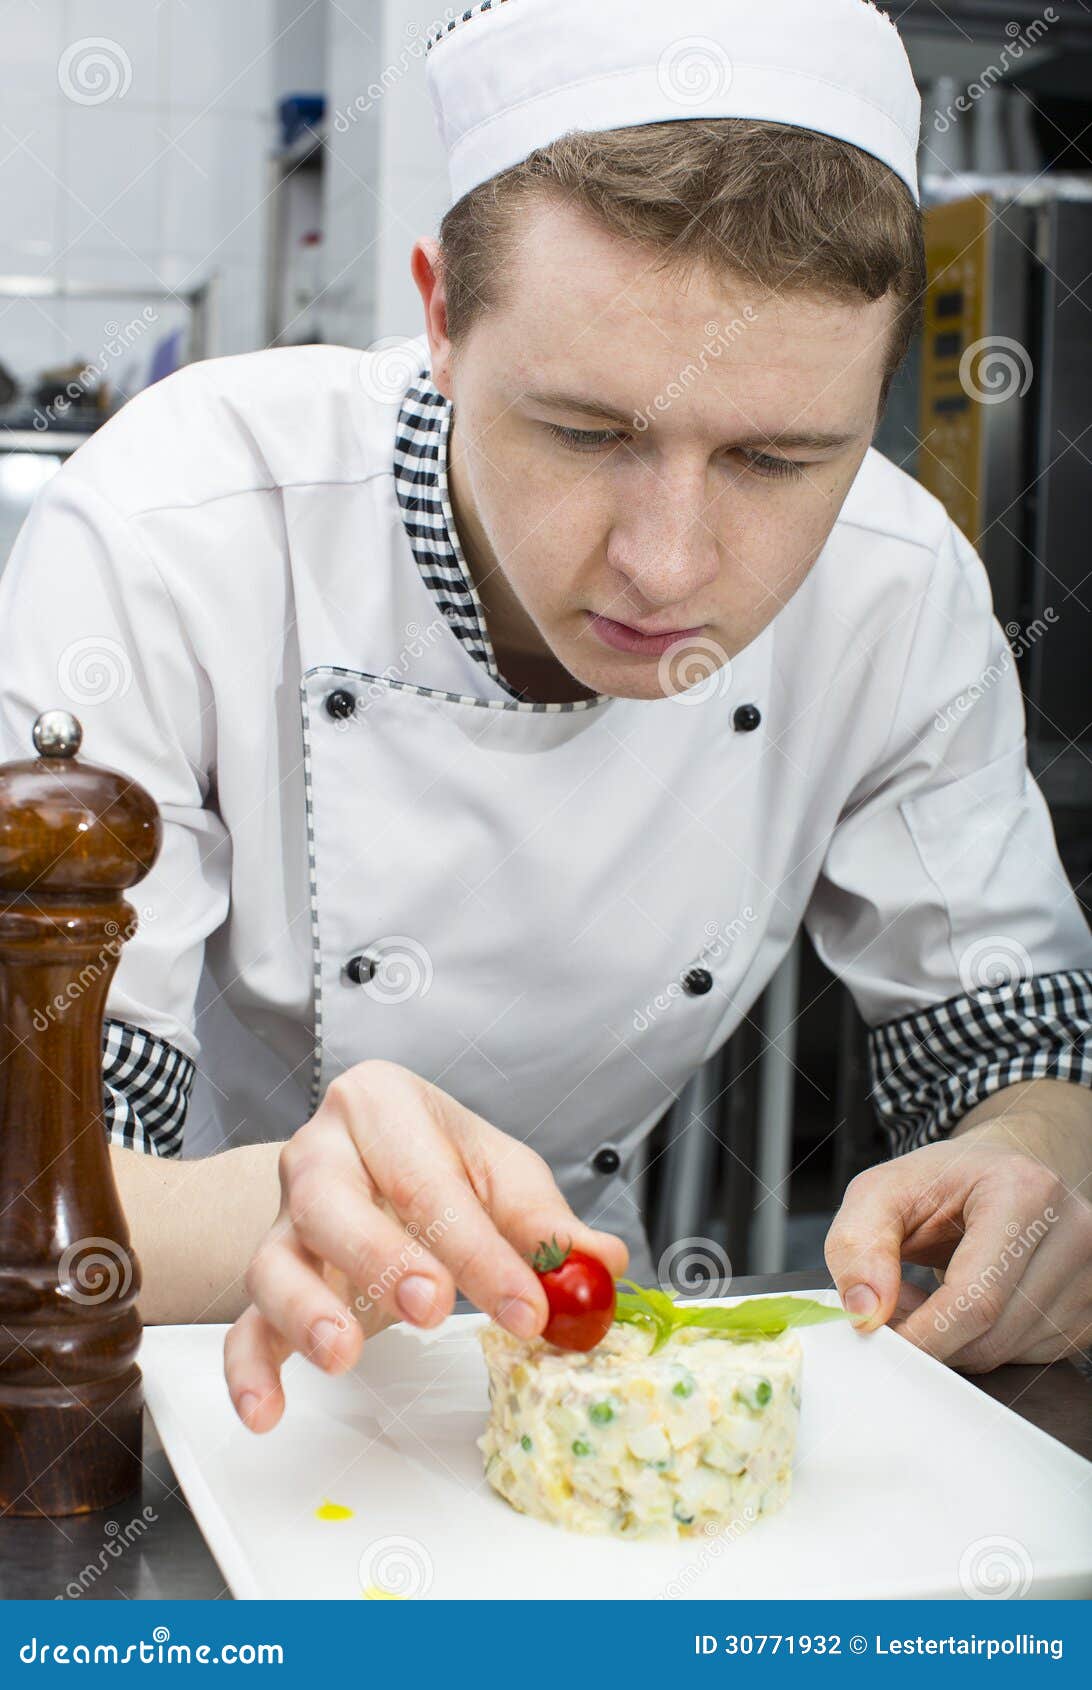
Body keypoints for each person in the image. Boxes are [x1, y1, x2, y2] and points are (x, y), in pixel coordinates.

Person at [1, 0, 1088, 1436]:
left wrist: (1034, 1178)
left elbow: (1022, 1050)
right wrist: (301, 1199)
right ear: (441, 318)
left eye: (780, 457)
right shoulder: (178, 528)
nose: (669, 563)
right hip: (177, 1341)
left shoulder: (900, 589)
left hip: (578, 1359)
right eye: (587, 433)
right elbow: (43, 1173)